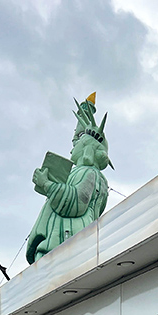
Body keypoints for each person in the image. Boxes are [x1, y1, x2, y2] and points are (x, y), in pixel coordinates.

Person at [26, 94, 112, 264]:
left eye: (78, 145)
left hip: (66, 236)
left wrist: (48, 184)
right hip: (75, 236)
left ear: (87, 150)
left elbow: (76, 203)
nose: (72, 149)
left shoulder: (88, 173)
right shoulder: (93, 175)